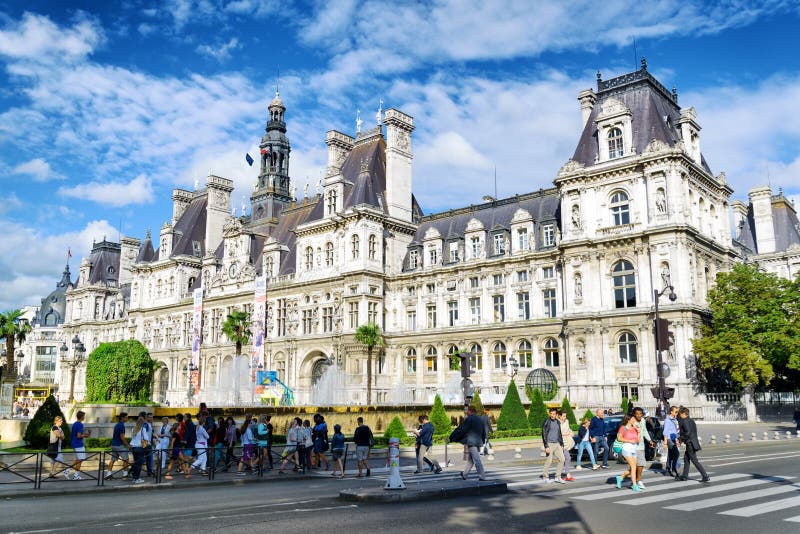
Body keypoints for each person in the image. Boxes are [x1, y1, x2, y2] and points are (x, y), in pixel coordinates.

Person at [449, 405, 486, 481]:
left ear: (470, 411)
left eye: (467, 411)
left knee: (476, 459)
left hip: (471, 442)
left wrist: (453, 437)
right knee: (471, 460)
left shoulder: (470, 419)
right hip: (478, 441)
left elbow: (462, 429)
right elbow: (484, 431)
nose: (466, 412)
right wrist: (483, 440)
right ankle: (464, 474)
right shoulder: (480, 419)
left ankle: (482, 476)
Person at [677, 406, 709, 482]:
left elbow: (687, 433)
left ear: (684, 414)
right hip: (693, 442)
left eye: (680, 414)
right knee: (686, 458)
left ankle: (705, 476)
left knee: (694, 460)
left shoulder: (685, 421)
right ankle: (685, 476)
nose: (679, 415)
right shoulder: (691, 420)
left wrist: (680, 439)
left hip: (690, 443)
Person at [616, 414, 641, 492]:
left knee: (634, 468)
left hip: (634, 450)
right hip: (626, 449)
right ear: (628, 420)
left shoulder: (634, 428)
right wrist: (630, 441)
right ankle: (634, 485)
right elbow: (619, 438)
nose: (634, 420)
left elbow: (638, 440)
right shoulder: (623, 428)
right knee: (633, 467)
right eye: (633, 419)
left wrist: (639, 432)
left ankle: (621, 477)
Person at [630, 407, 653, 488]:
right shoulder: (631, 421)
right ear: (634, 414)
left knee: (638, 465)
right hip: (633, 446)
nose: (639, 416)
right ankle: (638, 480)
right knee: (639, 464)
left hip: (641, 445)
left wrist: (649, 440)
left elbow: (644, 431)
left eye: (640, 414)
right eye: (637, 414)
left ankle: (632, 479)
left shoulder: (643, 420)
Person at [541, 407, 565, 483]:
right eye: (551, 413)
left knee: (562, 459)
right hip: (549, 444)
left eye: (554, 414)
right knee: (549, 461)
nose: (552, 415)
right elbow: (543, 433)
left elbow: (559, 433)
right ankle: (545, 477)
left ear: (556, 414)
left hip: (557, 443)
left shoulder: (558, 422)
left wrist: (561, 443)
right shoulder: (547, 421)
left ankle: (557, 477)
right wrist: (546, 446)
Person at [106, 412, 129, 479]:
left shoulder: (117, 425)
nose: (127, 418)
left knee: (113, 459)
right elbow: (122, 437)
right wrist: (127, 445)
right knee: (126, 459)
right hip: (119, 445)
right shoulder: (121, 425)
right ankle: (125, 475)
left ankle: (108, 474)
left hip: (114, 444)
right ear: (122, 418)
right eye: (126, 417)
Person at [68, 410, 90, 480]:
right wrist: (85, 436)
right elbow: (78, 436)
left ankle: (67, 470)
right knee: (80, 460)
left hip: (74, 444)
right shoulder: (80, 424)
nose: (84, 417)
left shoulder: (75, 424)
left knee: (77, 459)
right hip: (79, 444)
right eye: (84, 416)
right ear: (82, 417)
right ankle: (76, 475)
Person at [128, 415, 147, 484]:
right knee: (139, 464)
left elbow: (132, 438)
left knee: (136, 463)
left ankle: (134, 477)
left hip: (133, 447)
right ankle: (137, 478)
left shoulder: (133, 429)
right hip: (139, 447)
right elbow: (146, 438)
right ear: (143, 422)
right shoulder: (143, 429)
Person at [662, 406, 680, 477]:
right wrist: (665, 442)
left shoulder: (674, 419)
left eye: (677, 412)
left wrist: (677, 439)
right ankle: (674, 469)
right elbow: (665, 431)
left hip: (674, 439)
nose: (677, 413)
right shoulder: (667, 420)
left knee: (670, 455)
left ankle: (667, 469)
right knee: (676, 454)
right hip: (669, 439)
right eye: (675, 411)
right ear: (671, 412)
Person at [558, 410, 576, 481]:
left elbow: (569, 429)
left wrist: (571, 432)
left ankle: (565, 475)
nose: (565, 417)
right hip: (559, 443)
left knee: (566, 458)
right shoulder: (557, 422)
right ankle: (564, 475)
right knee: (565, 458)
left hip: (567, 442)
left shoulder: (567, 421)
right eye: (564, 416)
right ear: (559, 416)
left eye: (565, 416)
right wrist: (564, 435)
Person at [143, 412, 155, 477]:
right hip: (147, 444)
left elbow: (150, 434)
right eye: (150, 417)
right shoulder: (146, 425)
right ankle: (133, 470)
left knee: (149, 459)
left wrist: (155, 437)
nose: (151, 418)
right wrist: (147, 444)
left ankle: (150, 472)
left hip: (149, 444)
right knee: (146, 459)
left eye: (152, 417)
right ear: (147, 418)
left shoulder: (150, 424)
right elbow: (145, 435)